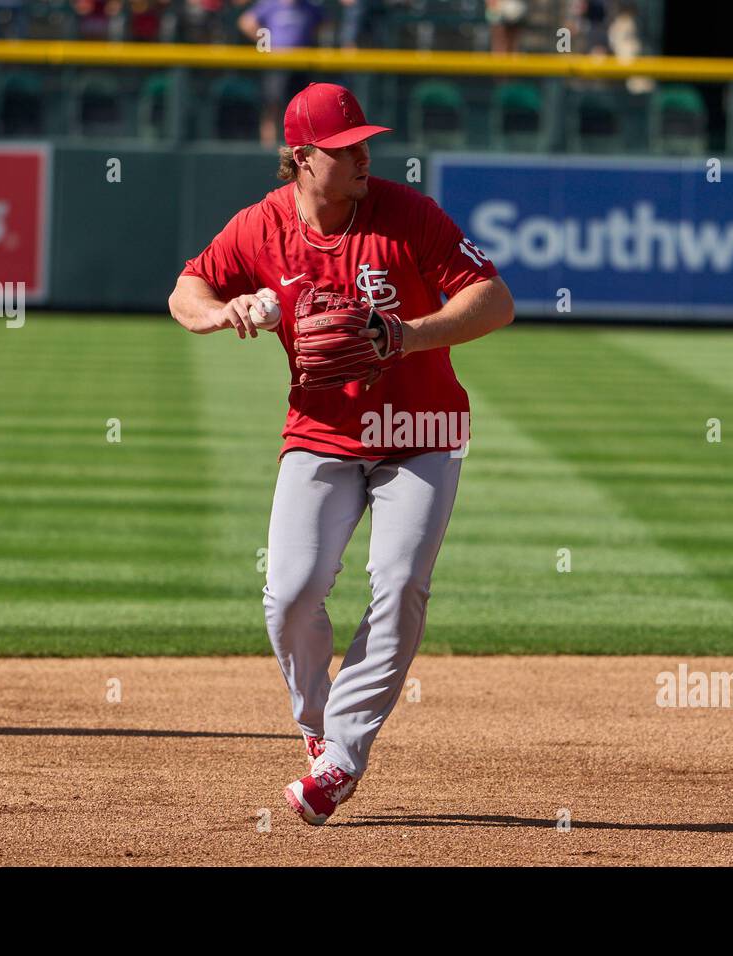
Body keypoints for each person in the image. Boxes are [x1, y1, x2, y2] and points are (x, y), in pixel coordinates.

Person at [167, 82, 514, 825]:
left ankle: (342, 761)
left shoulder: (407, 212)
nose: (364, 157)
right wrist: (220, 312)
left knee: (398, 583)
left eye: (365, 144)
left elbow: (494, 299)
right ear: (299, 159)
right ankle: (320, 728)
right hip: (322, 432)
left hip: (422, 434)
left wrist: (409, 334)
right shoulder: (262, 225)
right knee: (289, 595)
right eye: (344, 149)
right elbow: (186, 288)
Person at [238, 0, 325, 147]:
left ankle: (300, 147)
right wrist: (266, 43)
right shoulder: (270, 4)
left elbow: (324, 24)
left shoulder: (309, 6)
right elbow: (246, 22)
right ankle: (269, 148)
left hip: (302, 64)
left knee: (302, 109)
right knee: (273, 107)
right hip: (277, 64)